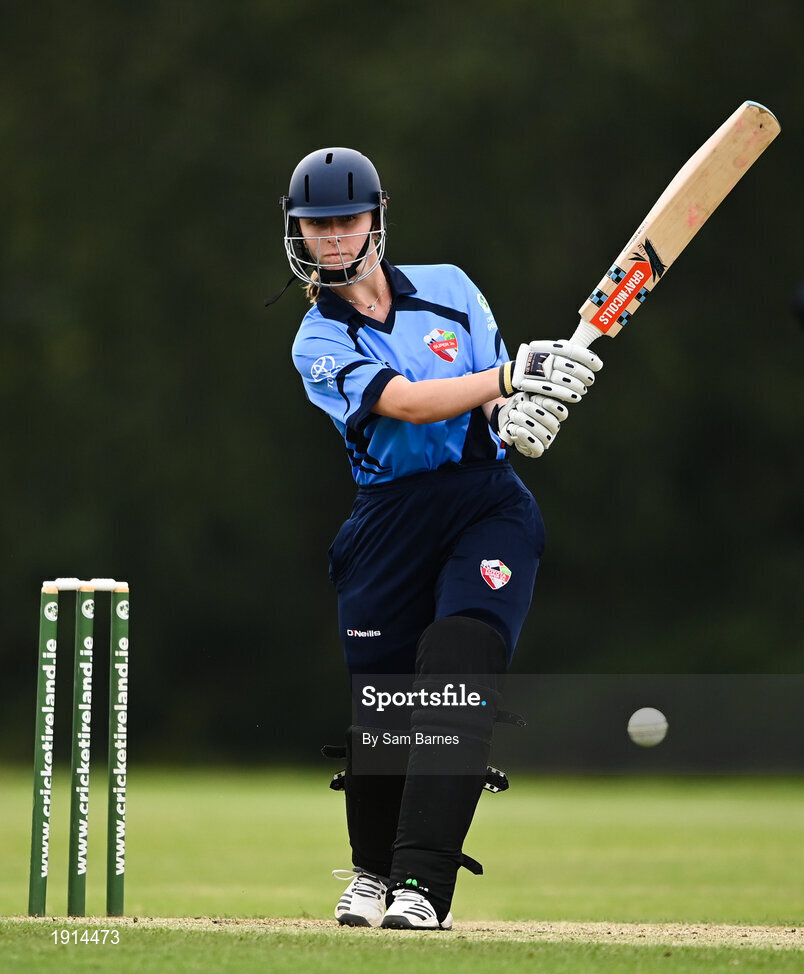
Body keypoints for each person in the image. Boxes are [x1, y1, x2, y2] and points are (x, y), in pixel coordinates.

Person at [282, 147, 602, 930]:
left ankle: (422, 887)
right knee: (388, 705)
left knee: (458, 665)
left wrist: (518, 415)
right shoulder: (315, 342)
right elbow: (412, 403)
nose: (330, 238)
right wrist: (508, 381)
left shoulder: (452, 288)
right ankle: (372, 872)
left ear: (376, 220)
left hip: (484, 506)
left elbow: (491, 396)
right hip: (386, 522)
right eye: (314, 225)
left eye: (343, 220)